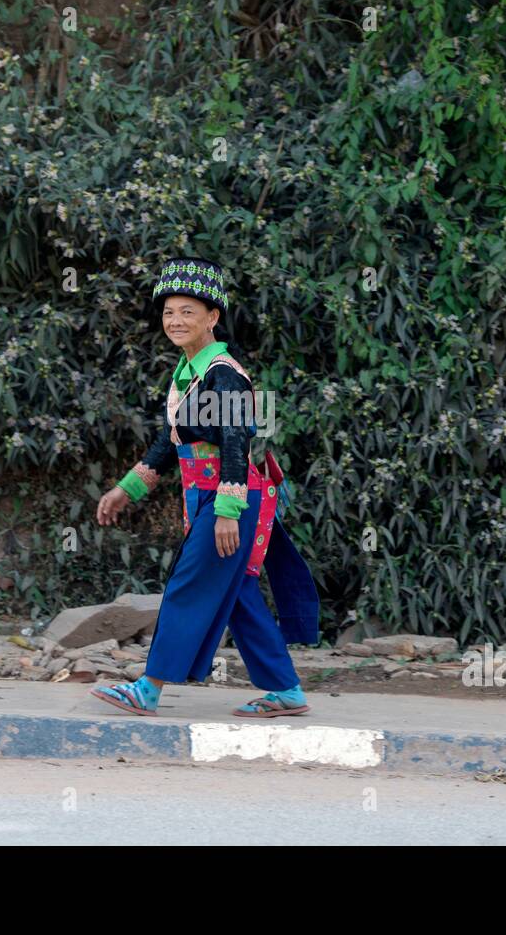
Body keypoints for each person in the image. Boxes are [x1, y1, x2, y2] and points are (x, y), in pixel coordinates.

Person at [92, 256, 320, 718]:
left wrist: (227, 513)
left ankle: (149, 688)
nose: (175, 321)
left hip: (229, 499)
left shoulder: (224, 372)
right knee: (238, 597)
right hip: (209, 498)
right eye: (169, 312)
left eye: (187, 312)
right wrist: (126, 489)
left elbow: (237, 441)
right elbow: (170, 441)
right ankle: (286, 690)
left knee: (188, 586)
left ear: (212, 317)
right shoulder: (190, 371)